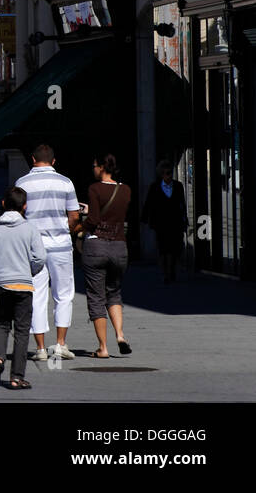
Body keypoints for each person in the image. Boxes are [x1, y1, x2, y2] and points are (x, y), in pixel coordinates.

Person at [16, 144, 81, 362]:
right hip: (61, 245)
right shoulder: (65, 182)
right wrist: (67, 231)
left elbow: (19, 215)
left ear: (32, 159)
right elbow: (74, 216)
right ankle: (61, 344)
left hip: (33, 248)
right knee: (63, 294)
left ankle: (41, 348)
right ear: (53, 161)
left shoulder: (22, 183)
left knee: (37, 295)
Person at [0, 186, 47, 389]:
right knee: (22, 331)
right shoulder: (30, 229)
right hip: (24, 285)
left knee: (2, 324)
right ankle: (17, 377)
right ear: (24, 207)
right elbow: (41, 257)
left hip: (3, 284)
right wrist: (31, 271)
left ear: (2, 204)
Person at [82, 153, 132, 357]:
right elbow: (115, 215)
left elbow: (93, 220)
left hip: (97, 246)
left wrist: (80, 226)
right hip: (119, 246)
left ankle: (103, 347)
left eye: (94, 165)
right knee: (114, 292)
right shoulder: (125, 190)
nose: (93, 169)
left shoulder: (94, 188)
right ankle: (120, 335)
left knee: (96, 296)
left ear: (102, 167)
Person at [142, 159, 188, 283]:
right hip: (161, 223)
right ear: (161, 174)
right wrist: (145, 218)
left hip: (175, 222)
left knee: (174, 248)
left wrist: (185, 220)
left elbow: (182, 204)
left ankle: (171, 270)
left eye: (170, 173)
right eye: (166, 173)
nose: (169, 176)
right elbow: (149, 203)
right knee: (163, 249)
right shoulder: (155, 187)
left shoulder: (178, 186)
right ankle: (165, 273)